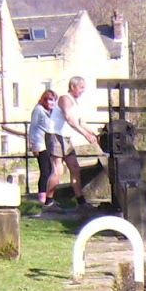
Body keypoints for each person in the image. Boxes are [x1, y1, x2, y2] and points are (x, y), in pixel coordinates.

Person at [46, 76, 102, 210]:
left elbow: (81, 122)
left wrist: (95, 134)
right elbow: (70, 120)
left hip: (66, 138)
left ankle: (81, 202)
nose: (83, 90)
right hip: (55, 136)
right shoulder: (65, 99)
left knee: (75, 168)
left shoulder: (76, 104)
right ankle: (48, 202)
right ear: (73, 86)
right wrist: (85, 135)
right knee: (58, 170)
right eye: (81, 87)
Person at [27, 88, 57, 205]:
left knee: (51, 170)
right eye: (49, 100)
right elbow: (33, 127)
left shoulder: (52, 112)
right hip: (40, 144)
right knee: (45, 171)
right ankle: (42, 196)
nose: (51, 103)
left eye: (53, 100)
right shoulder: (38, 110)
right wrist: (33, 144)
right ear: (44, 100)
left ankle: (50, 196)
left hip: (50, 143)